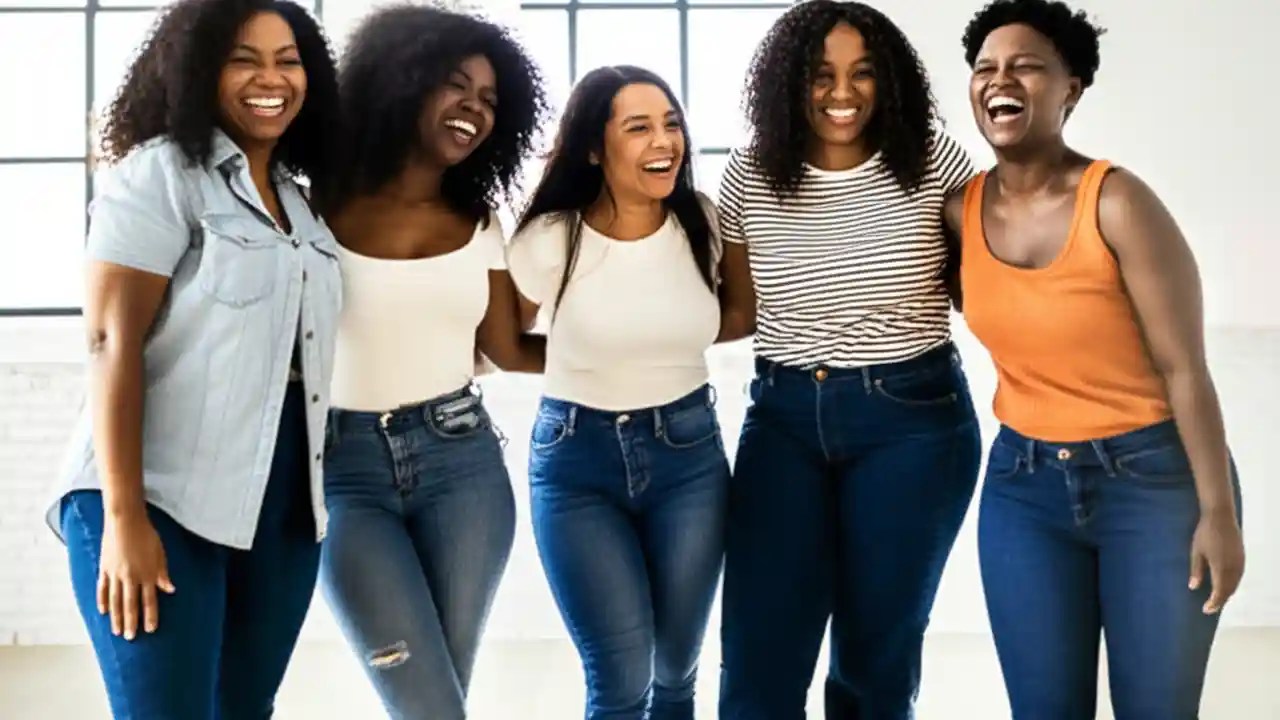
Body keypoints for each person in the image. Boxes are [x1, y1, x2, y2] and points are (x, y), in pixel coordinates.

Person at [949, 1, 1246, 717]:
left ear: (1071, 87)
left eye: (1025, 66)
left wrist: (1218, 514)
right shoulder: (960, 210)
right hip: (1023, 490)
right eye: (986, 68)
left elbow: (1185, 368)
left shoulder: (1117, 202)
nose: (1001, 79)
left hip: (1152, 483)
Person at [46, 0, 342, 716]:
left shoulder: (302, 207)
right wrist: (123, 520)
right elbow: (110, 341)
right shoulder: (162, 175)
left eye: (288, 60)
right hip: (158, 496)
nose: (271, 78)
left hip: (282, 507)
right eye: (244, 59)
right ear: (198, 69)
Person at [713, 2, 983, 717]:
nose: (842, 92)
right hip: (783, 419)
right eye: (821, 75)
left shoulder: (933, 161)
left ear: (888, 80)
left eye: (862, 73)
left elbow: (983, 283)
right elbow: (734, 315)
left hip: (912, 421)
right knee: (758, 650)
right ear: (786, 83)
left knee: (876, 651)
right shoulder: (747, 176)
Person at [314, 5, 549, 719]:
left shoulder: (482, 224)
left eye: (488, 101)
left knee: (440, 698)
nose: (473, 111)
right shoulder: (314, 206)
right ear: (400, 83)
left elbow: (507, 349)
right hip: (340, 474)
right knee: (425, 701)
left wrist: (622, 341)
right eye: (455, 87)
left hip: (462, 468)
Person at [506, 65, 728, 720]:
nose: (665, 141)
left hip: (689, 459)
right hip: (578, 463)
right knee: (621, 677)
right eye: (639, 128)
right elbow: (505, 342)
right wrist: (591, 360)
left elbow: (729, 315)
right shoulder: (550, 239)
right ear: (595, 148)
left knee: (675, 671)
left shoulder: (701, 223)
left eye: (671, 123)